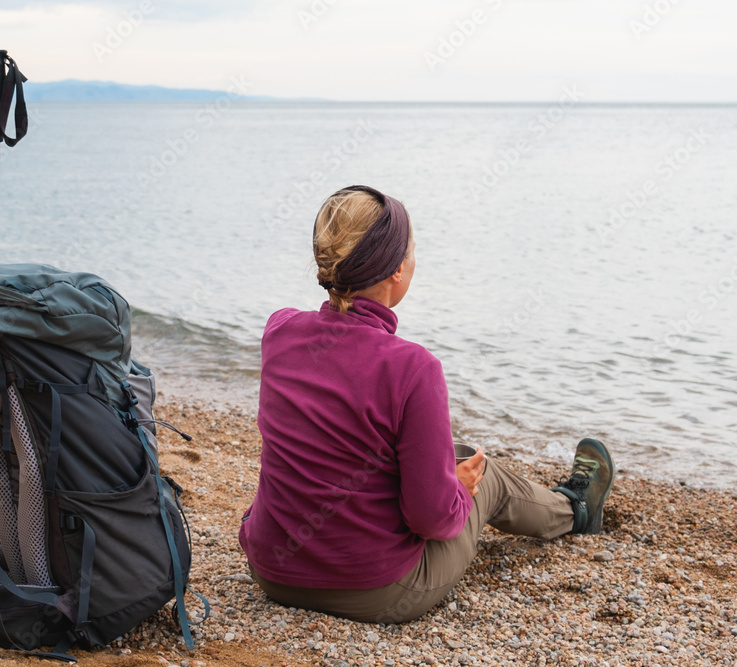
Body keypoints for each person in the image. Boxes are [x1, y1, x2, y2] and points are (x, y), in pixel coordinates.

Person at [238, 185, 615, 623]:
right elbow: (432, 523)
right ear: (398, 268)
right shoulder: (414, 368)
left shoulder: (279, 330)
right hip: (375, 590)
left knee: (438, 455)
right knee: (483, 475)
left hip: (272, 571)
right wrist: (456, 490)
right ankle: (575, 509)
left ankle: (558, 503)